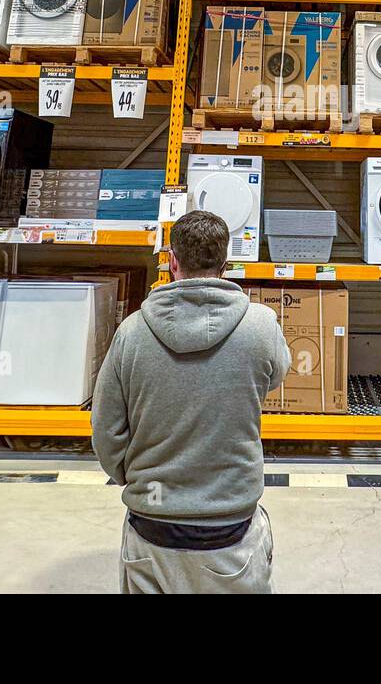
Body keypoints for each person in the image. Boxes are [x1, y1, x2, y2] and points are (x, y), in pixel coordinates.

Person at [92, 209, 292, 594]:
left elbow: (105, 429)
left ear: (171, 260)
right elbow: (275, 376)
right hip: (230, 525)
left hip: (152, 520)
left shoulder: (131, 332)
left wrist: (134, 476)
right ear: (226, 263)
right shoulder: (260, 326)